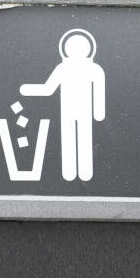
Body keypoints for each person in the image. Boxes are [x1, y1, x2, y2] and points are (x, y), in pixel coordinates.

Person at [21, 28, 105, 182]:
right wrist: (27, 89)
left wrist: (99, 113)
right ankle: (70, 174)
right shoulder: (62, 68)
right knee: (69, 140)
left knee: (84, 139)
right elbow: (48, 89)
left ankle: (85, 174)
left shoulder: (95, 69)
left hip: (84, 112)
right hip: (67, 112)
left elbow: (99, 91)